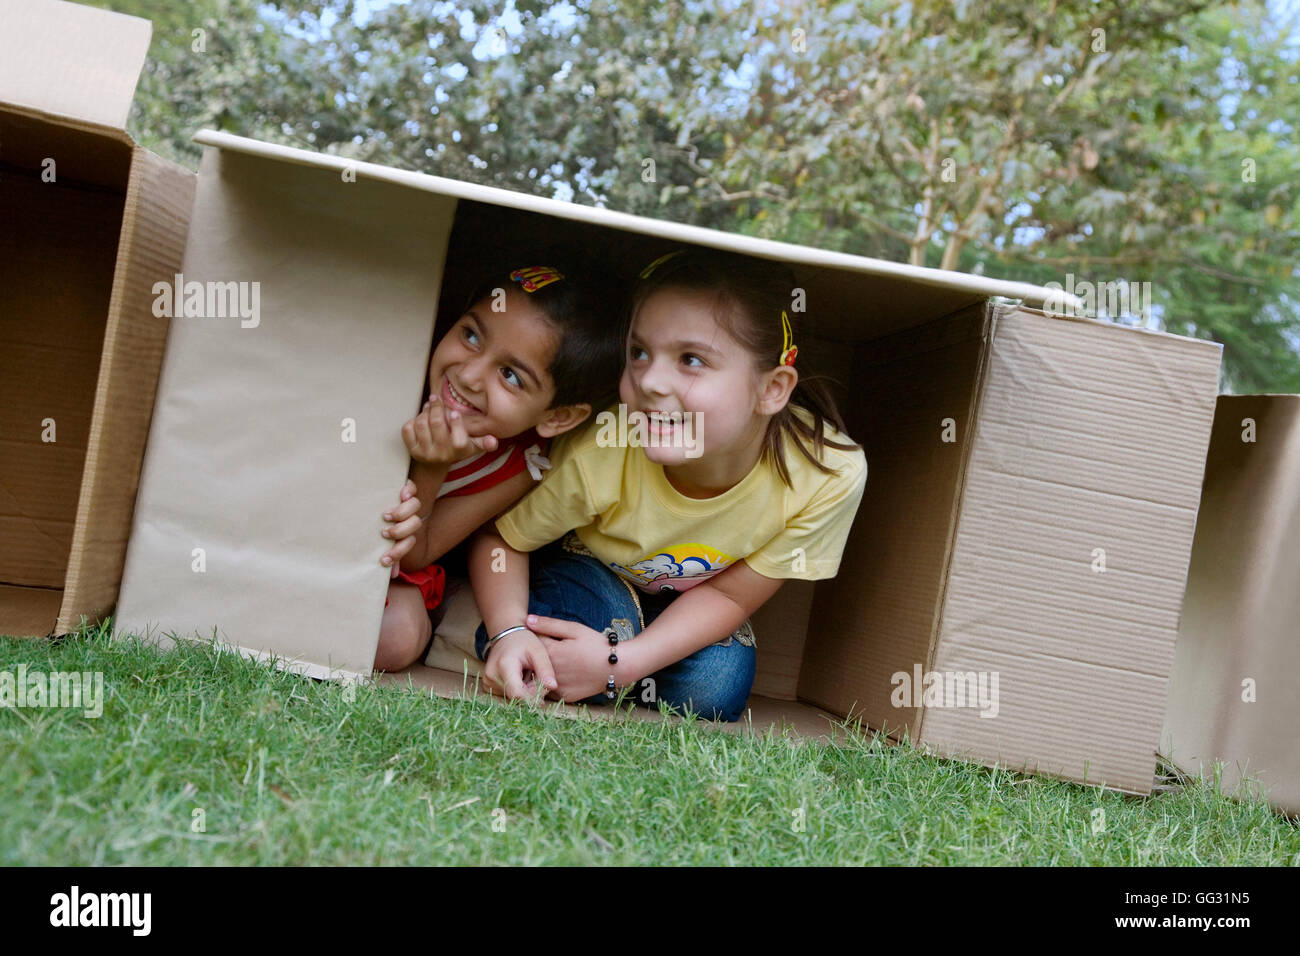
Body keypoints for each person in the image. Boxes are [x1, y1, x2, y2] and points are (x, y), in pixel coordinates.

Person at [467, 247, 868, 722]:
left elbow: (730, 596)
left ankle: (606, 664)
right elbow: (499, 538)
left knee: (716, 689)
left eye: (691, 359)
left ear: (773, 389)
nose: (650, 381)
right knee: (602, 621)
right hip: (589, 567)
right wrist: (509, 630)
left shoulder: (827, 474)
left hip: (693, 599)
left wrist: (620, 665)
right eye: (638, 352)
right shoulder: (601, 450)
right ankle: (505, 637)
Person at [374, 264, 621, 671]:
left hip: (390, 569)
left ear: (558, 417)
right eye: (471, 336)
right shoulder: (403, 373)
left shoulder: (519, 466)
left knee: (398, 637)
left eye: (510, 376)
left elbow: (416, 556)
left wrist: (431, 468)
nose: (468, 375)